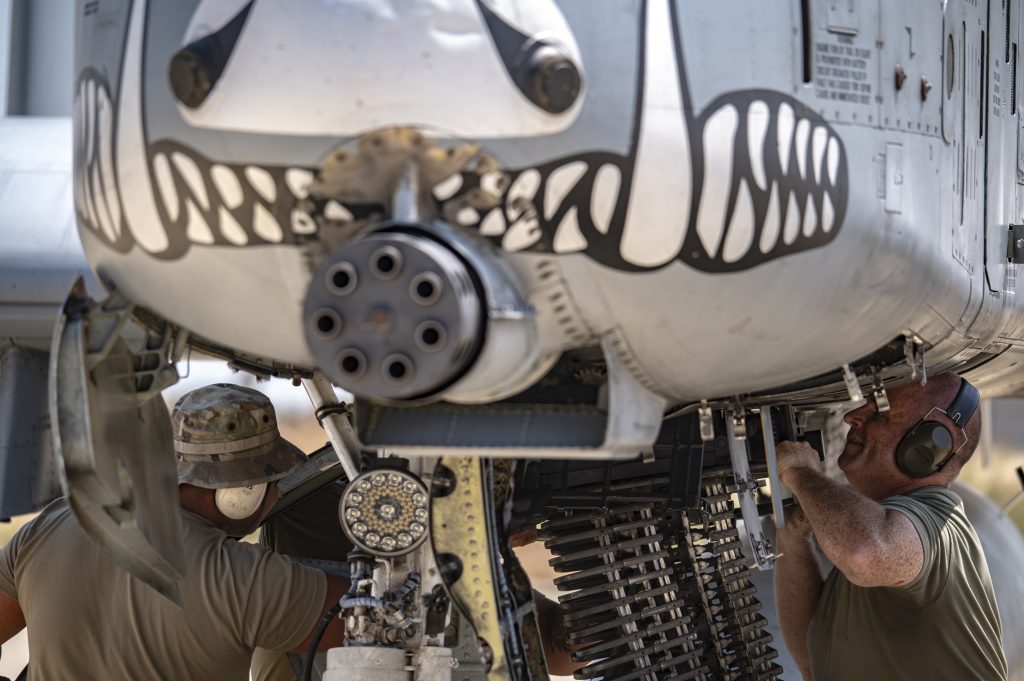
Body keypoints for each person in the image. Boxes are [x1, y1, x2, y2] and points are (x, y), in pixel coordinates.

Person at [0, 383, 348, 681]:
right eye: (273, 481)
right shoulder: (243, 580)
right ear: (242, 496)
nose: (275, 494)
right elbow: (367, 613)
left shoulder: (53, 523)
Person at [773, 372, 1008, 681]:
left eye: (880, 412)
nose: (851, 417)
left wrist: (800, 473)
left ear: (928, 445)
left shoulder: (936, 523)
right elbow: (814, 662)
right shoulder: (882, 530)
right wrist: (792, 541)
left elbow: (866, 553)